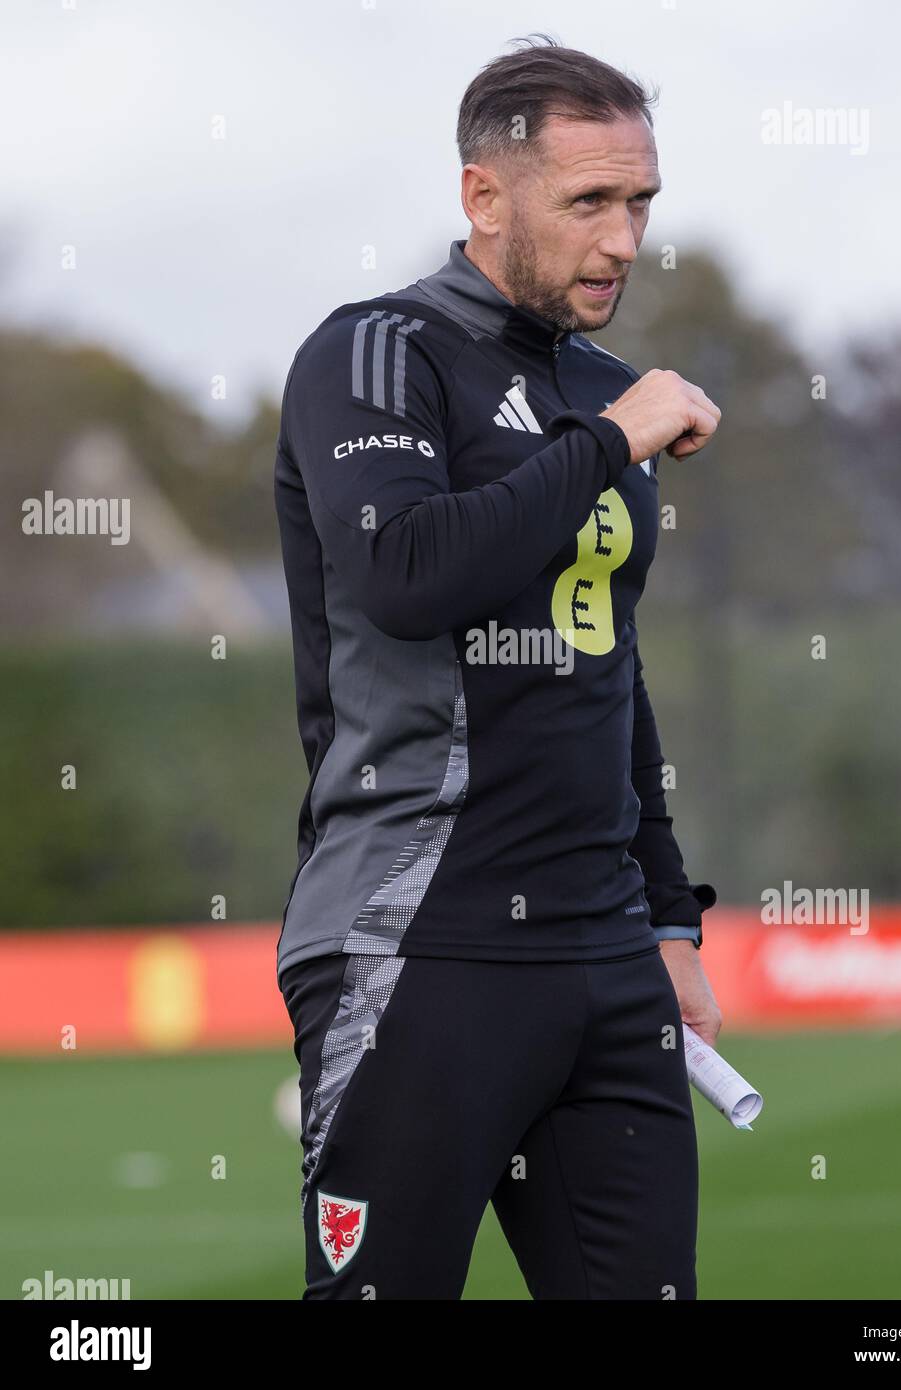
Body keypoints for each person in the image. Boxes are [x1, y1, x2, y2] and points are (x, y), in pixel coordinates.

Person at [274, 34, 722, 1300]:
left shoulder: (601, 387)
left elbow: (604, 666)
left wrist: (669, 913)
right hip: (420, 937)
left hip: (601, 954)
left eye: (639, 203)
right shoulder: (376, 352)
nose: (623, 241)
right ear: (484, 197)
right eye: (589, 202)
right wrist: (606, 441)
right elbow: (406, 574)